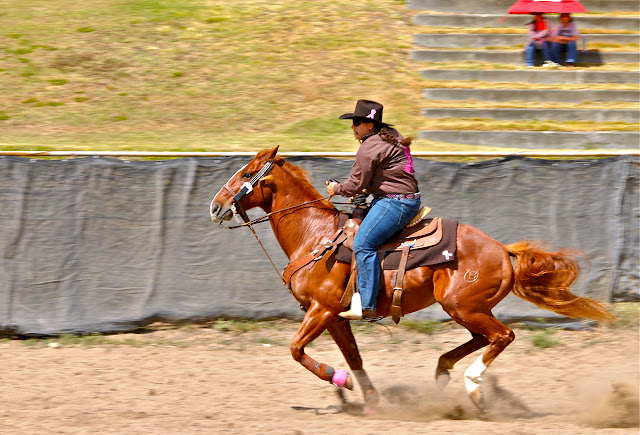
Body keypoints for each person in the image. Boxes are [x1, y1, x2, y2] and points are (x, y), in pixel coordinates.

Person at [326, 100, 420, 320]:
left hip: (395, 202)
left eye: (357, 123)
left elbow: (354, 184)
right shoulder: (389, 136)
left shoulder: (370, 147)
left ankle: (367, 305)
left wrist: (335, 188)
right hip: (399, 198)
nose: (353, 127)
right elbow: (385, 175)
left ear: (370, 125)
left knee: (363, 244)